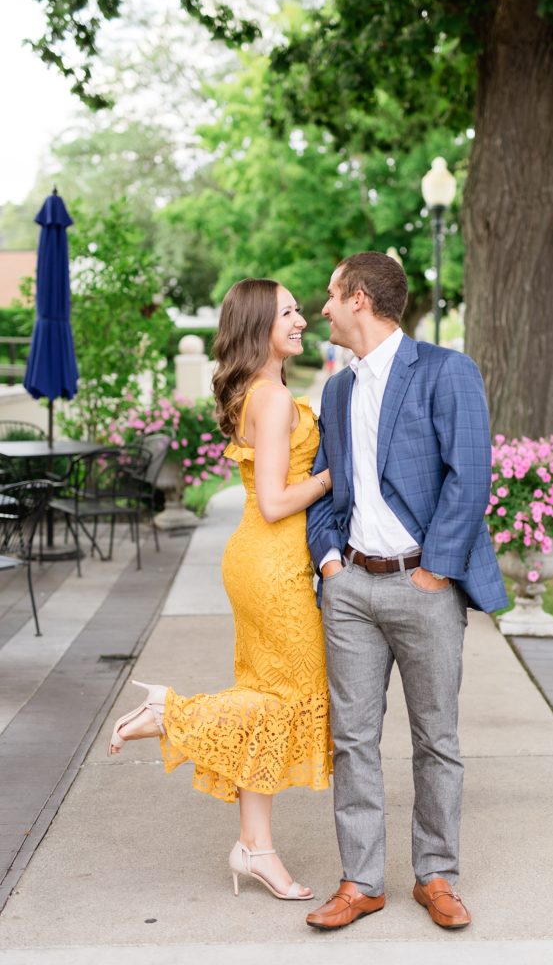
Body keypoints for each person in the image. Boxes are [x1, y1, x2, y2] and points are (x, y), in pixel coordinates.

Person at [108, 278, 333, 902]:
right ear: (259, 325)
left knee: (264, 695)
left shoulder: (259, 391)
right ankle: (168, 713)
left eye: (297, 309)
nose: (300, 318)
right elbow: (272, 501)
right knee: (293, 697)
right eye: (286, 311)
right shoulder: (274, 398)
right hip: (273, 564)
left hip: (257, 562)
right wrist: (331, 477)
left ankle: (254, 847)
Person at [305, 251, 508, 931]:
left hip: (424, 585)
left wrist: (434, 572)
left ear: (359, 298)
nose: (322, 309)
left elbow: (469, 476)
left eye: (331, 296)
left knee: (435, 739)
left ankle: (436, 875)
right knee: (353, 741)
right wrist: (330, 563)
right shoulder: (335, 389)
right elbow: (324, 483)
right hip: (352, 590)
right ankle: (360, 881)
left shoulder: (445, 371)